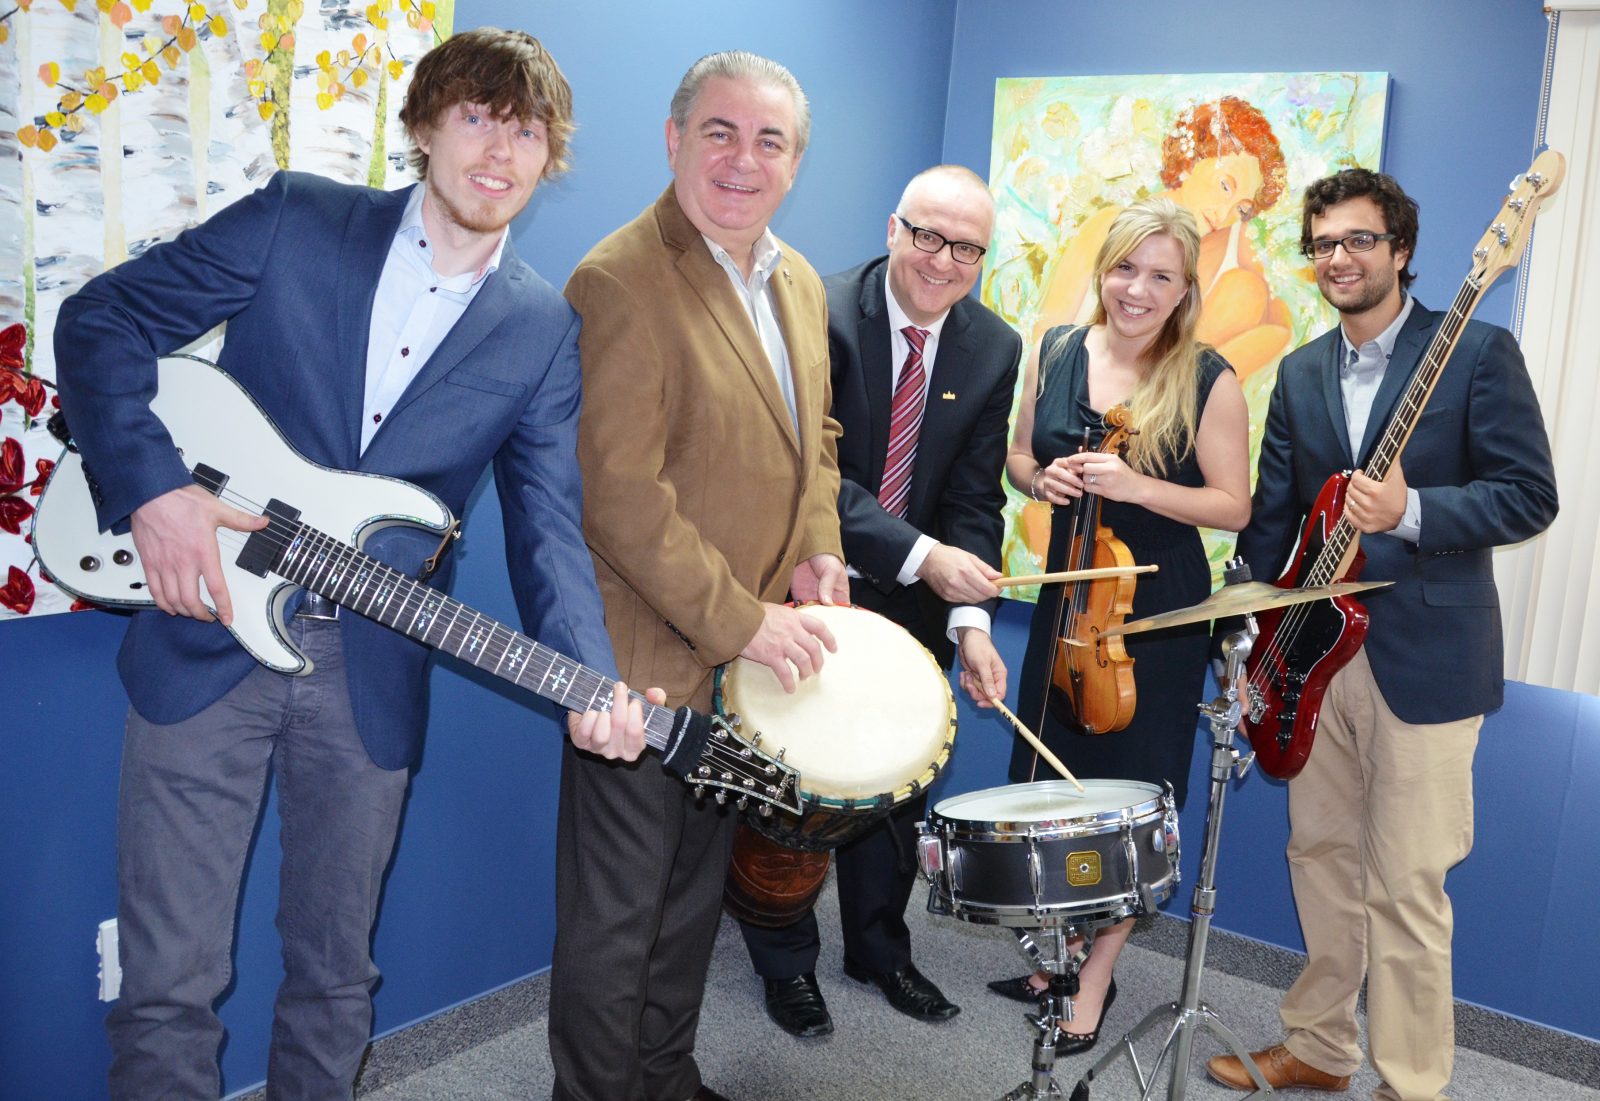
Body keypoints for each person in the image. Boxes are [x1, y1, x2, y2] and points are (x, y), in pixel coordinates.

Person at [52, 28, 652, 1099]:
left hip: (370, 672)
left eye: (525, 131)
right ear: (424, 126)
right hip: (206, 632)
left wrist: (589, 674)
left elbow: (549, 526)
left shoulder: (541, 329)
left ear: (548, 156)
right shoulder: (300, 220)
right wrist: (153, 489)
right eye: (476, 117)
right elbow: (105, 317)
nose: (499, 151)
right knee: (168, 981)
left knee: (336, 976)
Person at [1205, 169, 1557, 1098]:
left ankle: (1410, 1081)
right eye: (1324, 243)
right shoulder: (1303, 372)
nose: (1340, 258)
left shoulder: (1477, 351)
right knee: (1317, 858)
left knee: (1406, 885)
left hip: (1426, 665)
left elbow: (1530, 495)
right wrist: (1248, 646)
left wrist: (1409, 511)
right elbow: (1272, 527)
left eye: (1360, 240)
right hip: (1315, 658)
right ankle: (1320, 1046)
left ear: (1401, 250)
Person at [552, 51, 846, 1101]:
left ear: (795, 163)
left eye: (769, 140)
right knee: (617, 920)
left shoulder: (798, 280)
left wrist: (822, 543)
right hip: (642, 664)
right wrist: (743, 622)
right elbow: (618, 496)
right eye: (718, 131)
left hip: (740, 671)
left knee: (685, 905)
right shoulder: (619, 278)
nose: (742, 158)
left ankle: (663, 1078)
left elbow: (814, 432)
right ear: (673, 140)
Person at [737, 164, 1022, 1038]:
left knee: (895, 787)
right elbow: (816, 474)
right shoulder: (815, 309)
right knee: (791, 786)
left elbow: (976, 497)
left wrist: (971, 622)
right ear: (893, 226)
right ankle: (786, 964)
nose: (942, 261)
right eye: (927, 235)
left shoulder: (996, 347)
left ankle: (879, 950)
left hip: (912, 602)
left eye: (965, 247)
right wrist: (926, 555)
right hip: (800, 582)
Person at [992, 197, 1251, 1053]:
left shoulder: (1210, 377)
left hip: (1153, 616)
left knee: (1130, 798)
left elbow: (1233, 504)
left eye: (1161, 276)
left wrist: (1137, 485)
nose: (1138, 289)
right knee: (1054, 781)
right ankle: (1057, 950)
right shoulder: (1059, 349)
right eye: (1125, 268)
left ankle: (1094, 981)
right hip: (1069, 600)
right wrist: (1041, 482)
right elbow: (1020, 455)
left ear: (1185, 289)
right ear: (1103, 270)